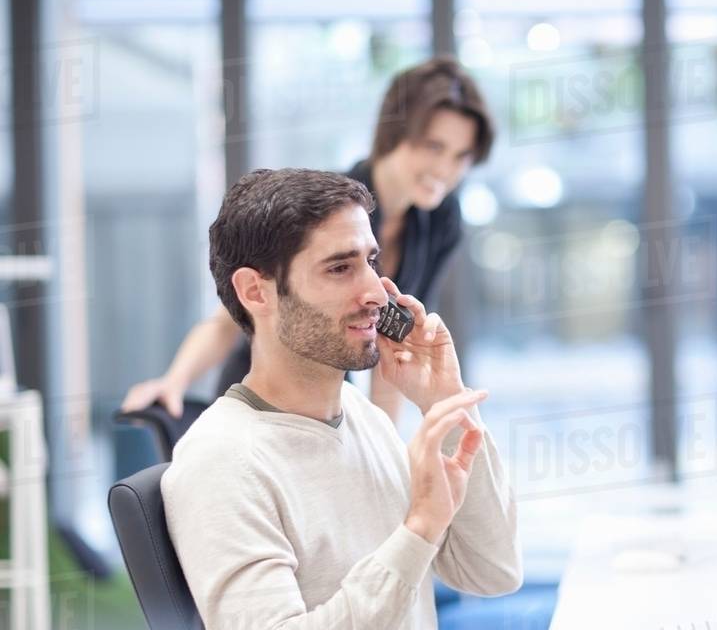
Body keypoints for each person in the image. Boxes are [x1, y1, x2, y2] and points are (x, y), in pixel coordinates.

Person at [162, 167, 521, 630]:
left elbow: (493, 571)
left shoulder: (365, 421)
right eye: (340, 267)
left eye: (371, 262)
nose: (377, 291)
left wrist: (446, 405)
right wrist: (419, 530)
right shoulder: (222, 459)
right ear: (256, 292)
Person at [122, 56, 494, 422]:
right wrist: (175, 380)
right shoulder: (333, 208)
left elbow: (394, 345)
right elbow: (231, 315)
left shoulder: (442, 219)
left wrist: (387, 452)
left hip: (328, 395)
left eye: (461, 156)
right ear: (395, 133)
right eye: (433, 146)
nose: (446, 169)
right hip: (268, 384)